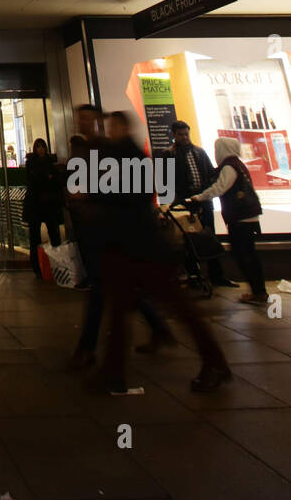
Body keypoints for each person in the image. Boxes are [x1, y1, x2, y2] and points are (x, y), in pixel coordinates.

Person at [95, 109, 230, 394]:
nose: (110, 131)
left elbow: (128, 200)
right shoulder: (125, 157)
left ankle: (214, 361)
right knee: (125, 311)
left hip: (142, 250)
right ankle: (114, 371)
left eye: (114, 127)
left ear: (124, 128)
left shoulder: (128, 159)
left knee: (178, 308)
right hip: (132, 249)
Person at [66, 111, 173, 370]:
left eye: (85, 119)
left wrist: (90, 196)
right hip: (107, 232)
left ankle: (92, 353)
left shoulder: (112, 150)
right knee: (116, 291)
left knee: (105, 291)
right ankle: (155, 331)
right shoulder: (89, 149)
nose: (81, 123)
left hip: (117, 234)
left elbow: (128, 191)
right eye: (79, 119)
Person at [191, 137, 268, 305]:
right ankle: (259, 291)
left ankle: (258, 292)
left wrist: (198, 197)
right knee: (249, 255)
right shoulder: (238, 164)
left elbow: (219, 188)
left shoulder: (229, 167)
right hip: (247, 217)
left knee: (244, 255)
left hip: (241, 218)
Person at [170, 121, 238, 288]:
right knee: (188, 240)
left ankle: (217, 276)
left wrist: (206, 193)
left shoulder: (199, 152)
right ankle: (194, 274)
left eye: (186, 134)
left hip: (204, 202)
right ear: (174, 136)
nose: (184, 137)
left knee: (210, 237)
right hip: (185, 204)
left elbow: (209, 173)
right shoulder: (169, 155)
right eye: (180, 134)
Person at [23, 138, 61, 278]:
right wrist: (47, 178)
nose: (40, 149)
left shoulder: (50, 162)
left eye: (42, 146)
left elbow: (52, 180)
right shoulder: (32, 163)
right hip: (36, 204)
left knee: (53, 234)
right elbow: (33, 181)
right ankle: (37, 266)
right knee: (35, 237)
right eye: (38, 147)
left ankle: (57, 264)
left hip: (48, 204)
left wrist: (44, 178)